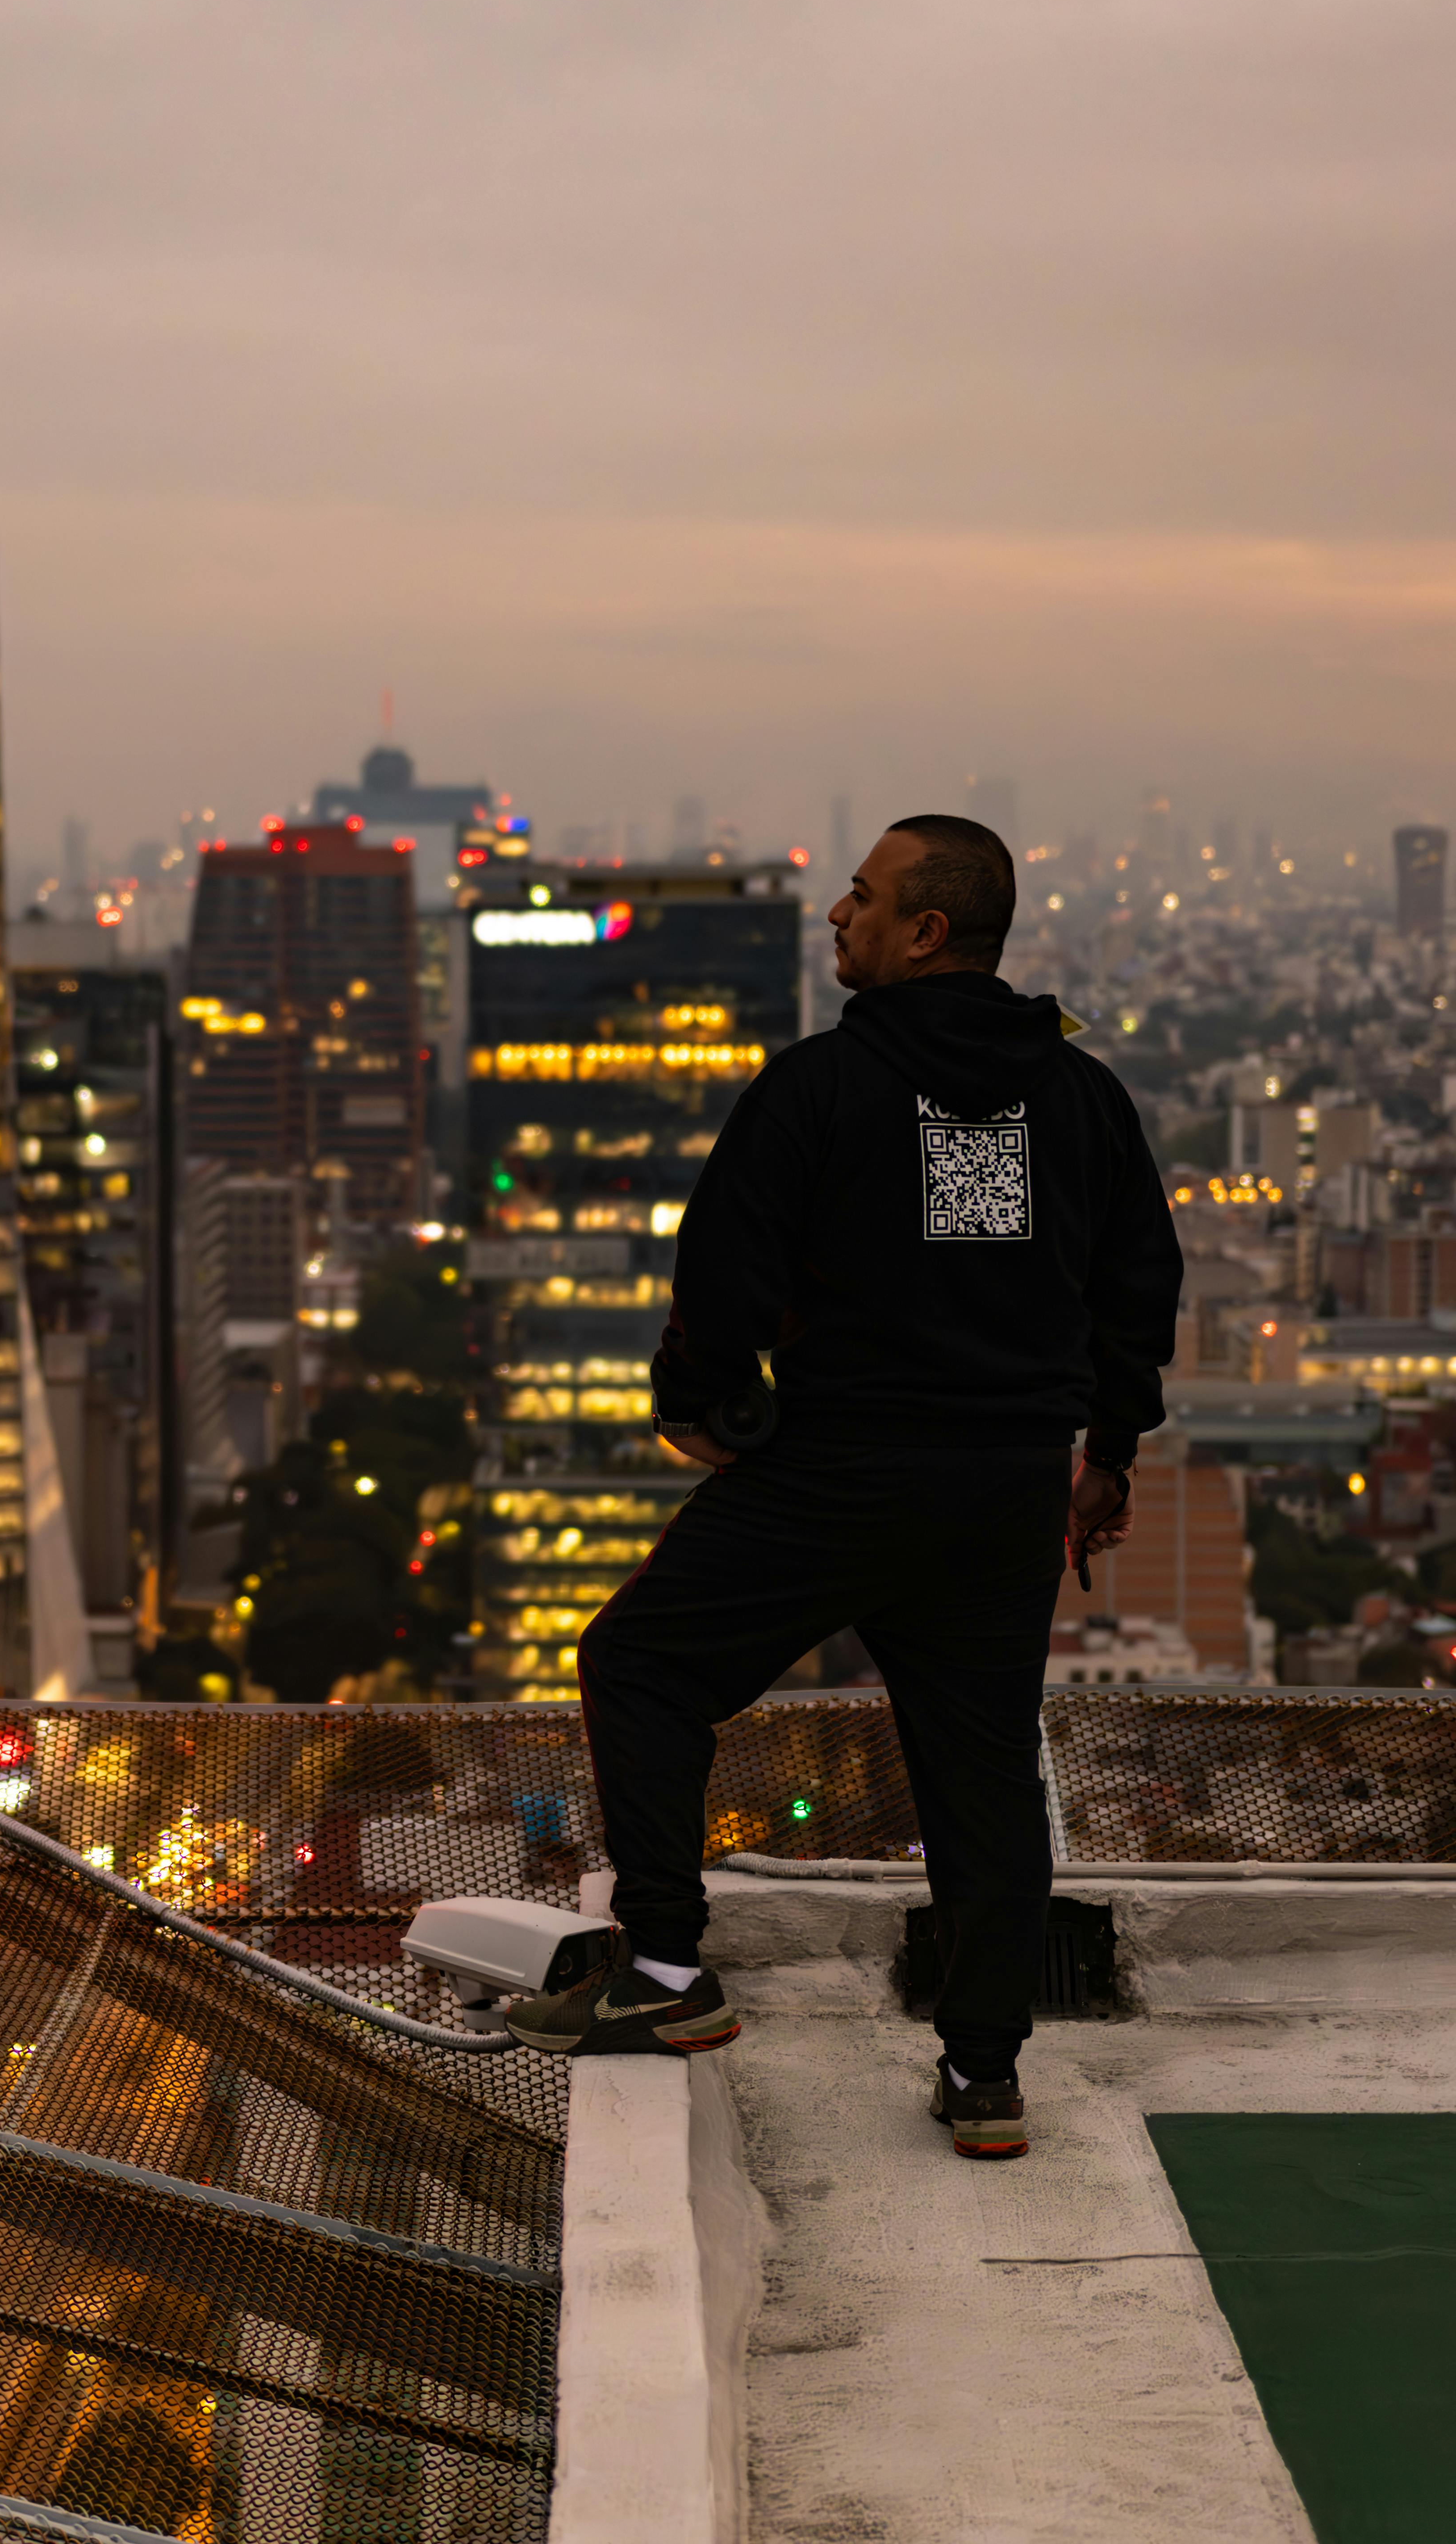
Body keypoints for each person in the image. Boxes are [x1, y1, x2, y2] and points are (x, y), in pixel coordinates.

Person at [504, 814, 1182, 2158]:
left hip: (839, 1472)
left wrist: (703, 1406)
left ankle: (667, 1974)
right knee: (980, 1773)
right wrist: (1107, 1458)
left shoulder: (822, 1087)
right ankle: (985, 2075)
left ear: (924, 932)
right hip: (1004, 1489)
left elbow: (726, 1280)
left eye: (862, 899)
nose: (837, 914)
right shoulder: (1083, 1097)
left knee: (643, 1662)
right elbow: (1138, 1291)